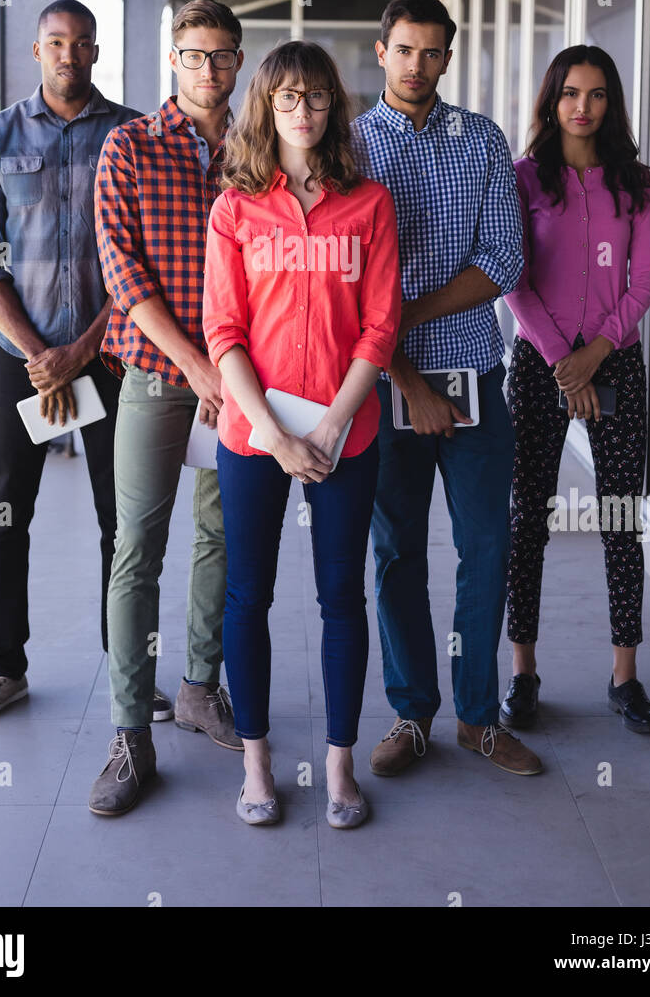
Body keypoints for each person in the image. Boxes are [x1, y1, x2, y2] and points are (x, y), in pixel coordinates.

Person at [202, 41, 401, 828]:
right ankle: (256, 766)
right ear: (265, 106)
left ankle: (340, 767)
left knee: (341, 597)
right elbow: (223, 331)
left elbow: (381, 326)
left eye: (316, 97)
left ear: (334, 105)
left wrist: (333, 420)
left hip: (345, 430)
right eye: (287, 98)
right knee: (247, 597)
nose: (303, 111)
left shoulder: (371, 204)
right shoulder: (236, 208)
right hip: (257, 436)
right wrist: (278, 436)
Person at [350, 0, 543, 778]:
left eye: (433, 53)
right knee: (396, 551)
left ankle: (477, 716)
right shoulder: (350, 146)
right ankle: (410, 713)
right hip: (382, 379)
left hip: (472, 366)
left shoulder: (484, 140)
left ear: (448, 58)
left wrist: (412, 312)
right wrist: (400, 362)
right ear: (381, 50)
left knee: (486, 546)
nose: (417, 65)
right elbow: (350, 285)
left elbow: (504, 260)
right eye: (404, 50)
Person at [0, 0, 139, 724]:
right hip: (20, 362)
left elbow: (142, 258)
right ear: (37, 50)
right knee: (6, 514)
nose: (69, 54)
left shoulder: (131, 134)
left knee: (121, 519)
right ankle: (5, 669)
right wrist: (42, 355)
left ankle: (126, 669)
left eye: (82, 43)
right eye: (56, 42)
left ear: (96, 53)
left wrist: (83, 350)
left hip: (110, 358)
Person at [88, 0, 245, 817]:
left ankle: (199, 689)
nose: (209, 70)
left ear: (240, 61)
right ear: (172, 59)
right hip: (157, 371)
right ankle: (128, 734)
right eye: (194, 55)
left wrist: (233, 370)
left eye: (222, 55)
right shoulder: (131, 147)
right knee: (137, 546)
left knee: (221, 535)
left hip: (241, 379)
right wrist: (197, 363)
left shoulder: (259, 151)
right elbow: (124, 273)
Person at [501, 46, 650, 734]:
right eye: (571, 93)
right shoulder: (524, 179)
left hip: (613, 361)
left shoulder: (637, 185)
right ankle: (523, 673)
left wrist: (594, 356)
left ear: (611, 103)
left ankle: (625, 676)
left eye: (596, 95)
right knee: (526, 520)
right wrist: (565, 360)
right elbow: (512, 278)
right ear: (552, 99)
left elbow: (643, 282)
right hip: (542, 361)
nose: (583, 107)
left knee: (621, 522)